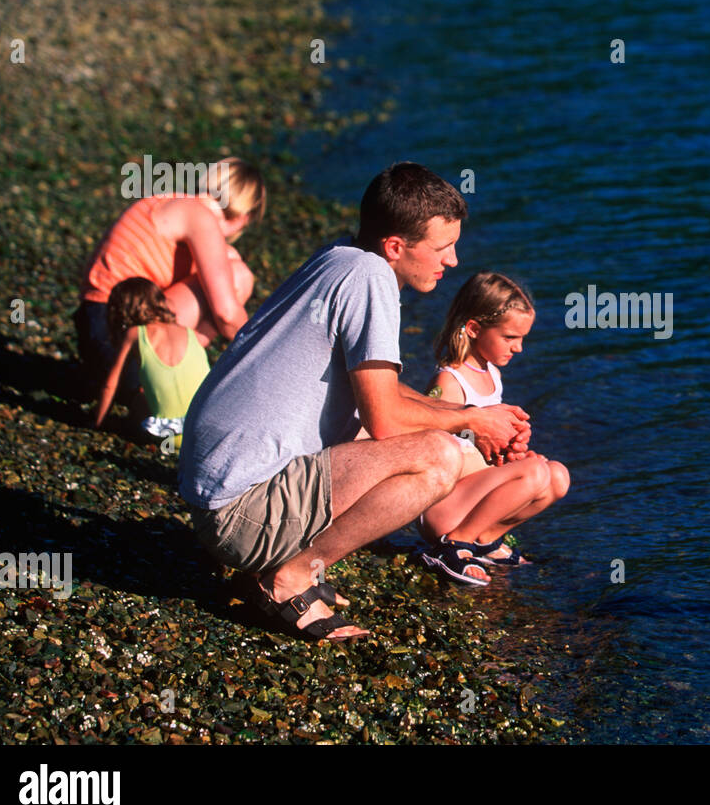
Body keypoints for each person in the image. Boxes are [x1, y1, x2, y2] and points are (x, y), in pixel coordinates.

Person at [178, 162, 530, 641]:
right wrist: (467, 425)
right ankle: (290, 577)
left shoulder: (340, 256)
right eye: (442, 247)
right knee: (438, 457)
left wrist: (474, 418)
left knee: (432, 438)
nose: (453, 260)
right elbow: (385, 419)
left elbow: (383, 392)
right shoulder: (370, 278)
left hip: (220, 493)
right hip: (242, 515)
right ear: (395, 247)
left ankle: (286, 562)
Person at [414, 271, 570, 586]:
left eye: (522, 339)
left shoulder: (492, 374)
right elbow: (430, 451)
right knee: (534, 472)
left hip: (472, 498)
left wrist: (510, 455)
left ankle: (485, 539)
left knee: (556, 476)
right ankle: (454, 544)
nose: (519, 348)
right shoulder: (450, 381)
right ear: (474, 329)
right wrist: (514, 469)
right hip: (442, 505)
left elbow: (483, 448)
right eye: (510, 338)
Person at [74, 157, 262, 400]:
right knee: (238, 276)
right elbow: (227, 315)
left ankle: (167, 376)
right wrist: (264, 351)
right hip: (114, 336)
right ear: (245, 217)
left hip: (96, 331)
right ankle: (162, 380)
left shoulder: (174, 203)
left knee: (228, 263)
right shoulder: (199, 216)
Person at [92, 277, 210, 448]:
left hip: (170, 438)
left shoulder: (134, 333)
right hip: (204, 432)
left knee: (139, 400)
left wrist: (97, 424)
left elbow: (110, 385)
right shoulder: (191, 333)